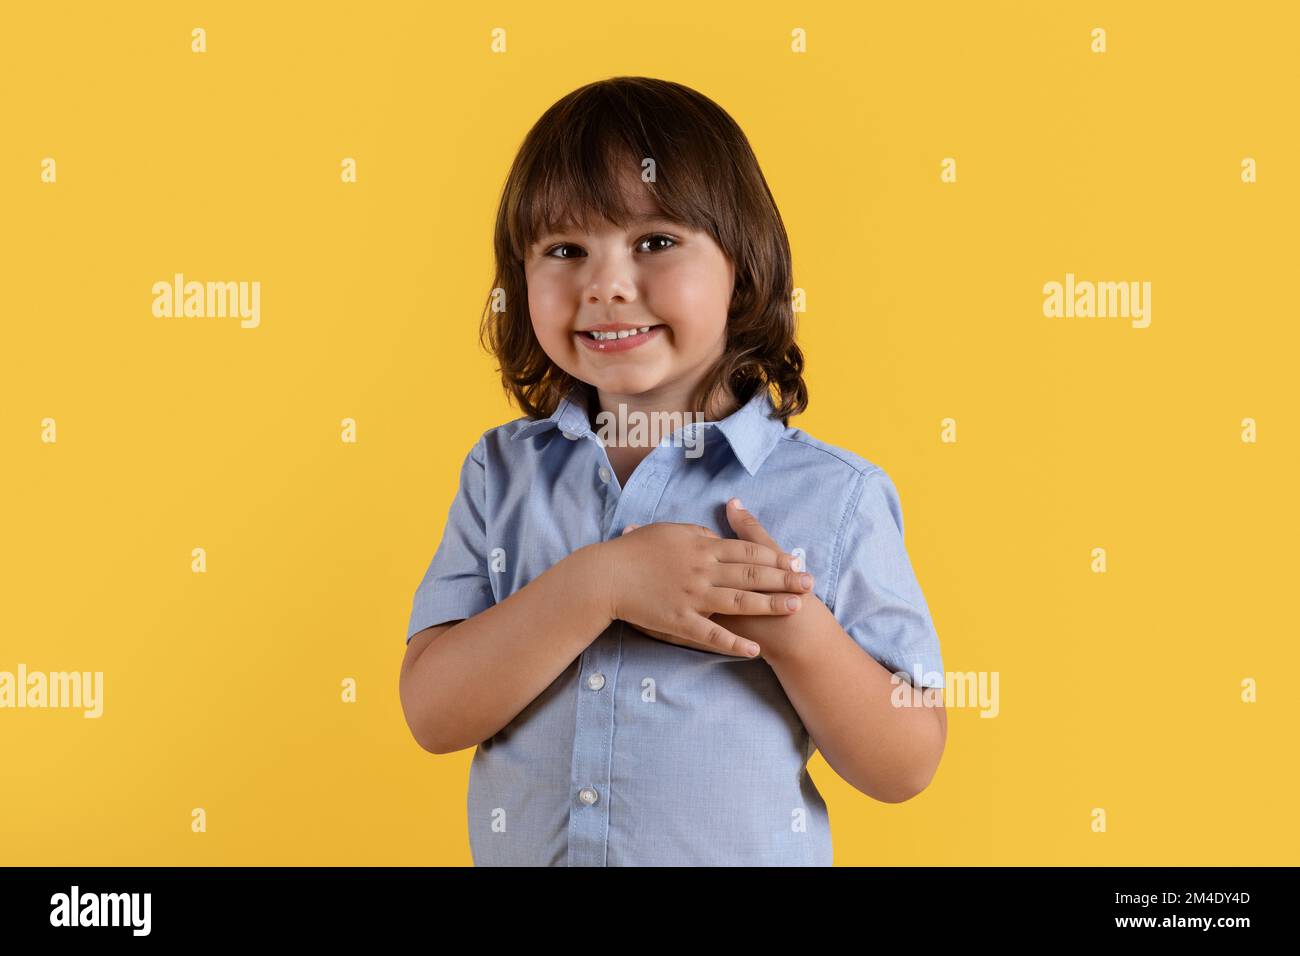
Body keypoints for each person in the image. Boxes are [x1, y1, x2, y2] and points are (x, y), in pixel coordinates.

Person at [398, 76, 947, 866]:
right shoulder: (501, 473)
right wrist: (601, 585)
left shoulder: (833, 495)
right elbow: (433, 714)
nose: (607, 285)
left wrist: (795, 629)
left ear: (743, 269)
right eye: (564, 250)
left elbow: (906, 763)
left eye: (655, 241)